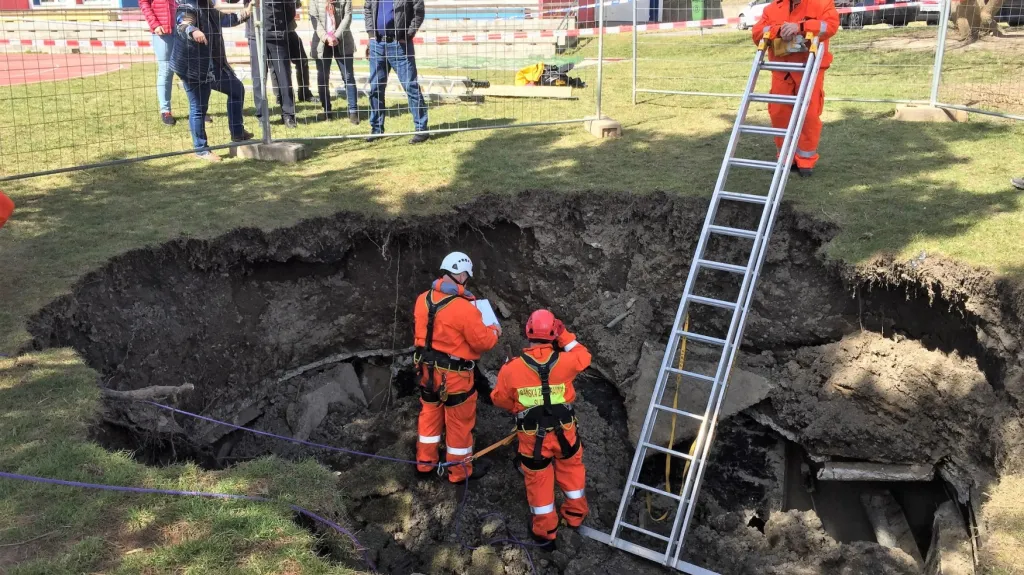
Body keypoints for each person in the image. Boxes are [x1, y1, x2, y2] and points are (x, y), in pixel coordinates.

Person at [491, 310, 591, 550]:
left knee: (539, 480)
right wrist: (564, 334)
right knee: (572, 471)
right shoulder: (567, 362)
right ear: (553, 334)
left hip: (533, 439)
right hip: (565, 432)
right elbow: (584, 355)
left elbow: (499, 400)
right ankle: (575, 516)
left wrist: (518, 405)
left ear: (528, 332)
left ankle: (546, 532)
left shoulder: (511, 369)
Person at [413, 252, 500, 483]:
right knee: (459, 424)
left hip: (427, 372)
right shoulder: (464, 308)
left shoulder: (422, 299)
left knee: (429, 415)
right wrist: (494, 330)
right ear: (461, 275)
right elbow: (484, 342)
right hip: (455, 377)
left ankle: (425, 462)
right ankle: (459, 472)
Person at [752, 0, 839, 177]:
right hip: (781, 69)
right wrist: (778, 30)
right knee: (779, 113)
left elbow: (830, 26)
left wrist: (800, 27)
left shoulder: (822, 4)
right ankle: (785, 158)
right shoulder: (771, 9)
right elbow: (757, 33)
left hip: (810, 67)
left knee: (809, 114)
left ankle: (806, 160)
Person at [171, 0, 253, 161]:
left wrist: (247, 11)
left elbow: (227, 20)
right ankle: (201, 149)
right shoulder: (188, 6)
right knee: (199, 107)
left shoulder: (208, 7)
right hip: (192, 68)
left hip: (213, 65)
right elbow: (183, 24)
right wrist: (193, 31)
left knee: (236, 89)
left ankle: (237, 133)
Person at [363, 0, 429, 143]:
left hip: (400, 45)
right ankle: (376, 129)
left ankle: (421, 129)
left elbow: (419, 12)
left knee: (410, 86)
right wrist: (371, 34)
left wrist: (408, 35)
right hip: (377, 45)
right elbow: (368, 9)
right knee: (375, 88)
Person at [240, 0, 299, 128]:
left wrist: (279, 23)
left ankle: (288, 115)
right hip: (255, 35)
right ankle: (262, 117)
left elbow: (290, 9)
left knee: (284, 76)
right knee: (258, 78)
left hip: (277, 35)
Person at [309, 0, 359, 123]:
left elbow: (348, 16)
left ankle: (353, 111)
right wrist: (326, 37)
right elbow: (314, 19)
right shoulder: (314, 1)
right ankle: (327, 110)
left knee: (348, 76)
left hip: (343, 40)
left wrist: (336, 36)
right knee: (322, 78)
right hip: (322, 42)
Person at [139, 0, 179, 125]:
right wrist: (154, 24)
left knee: (188, 68)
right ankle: (165, 111)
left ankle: (198, 111)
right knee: (166, 70)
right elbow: (144, 3)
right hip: (163, 30)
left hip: (181, 27)